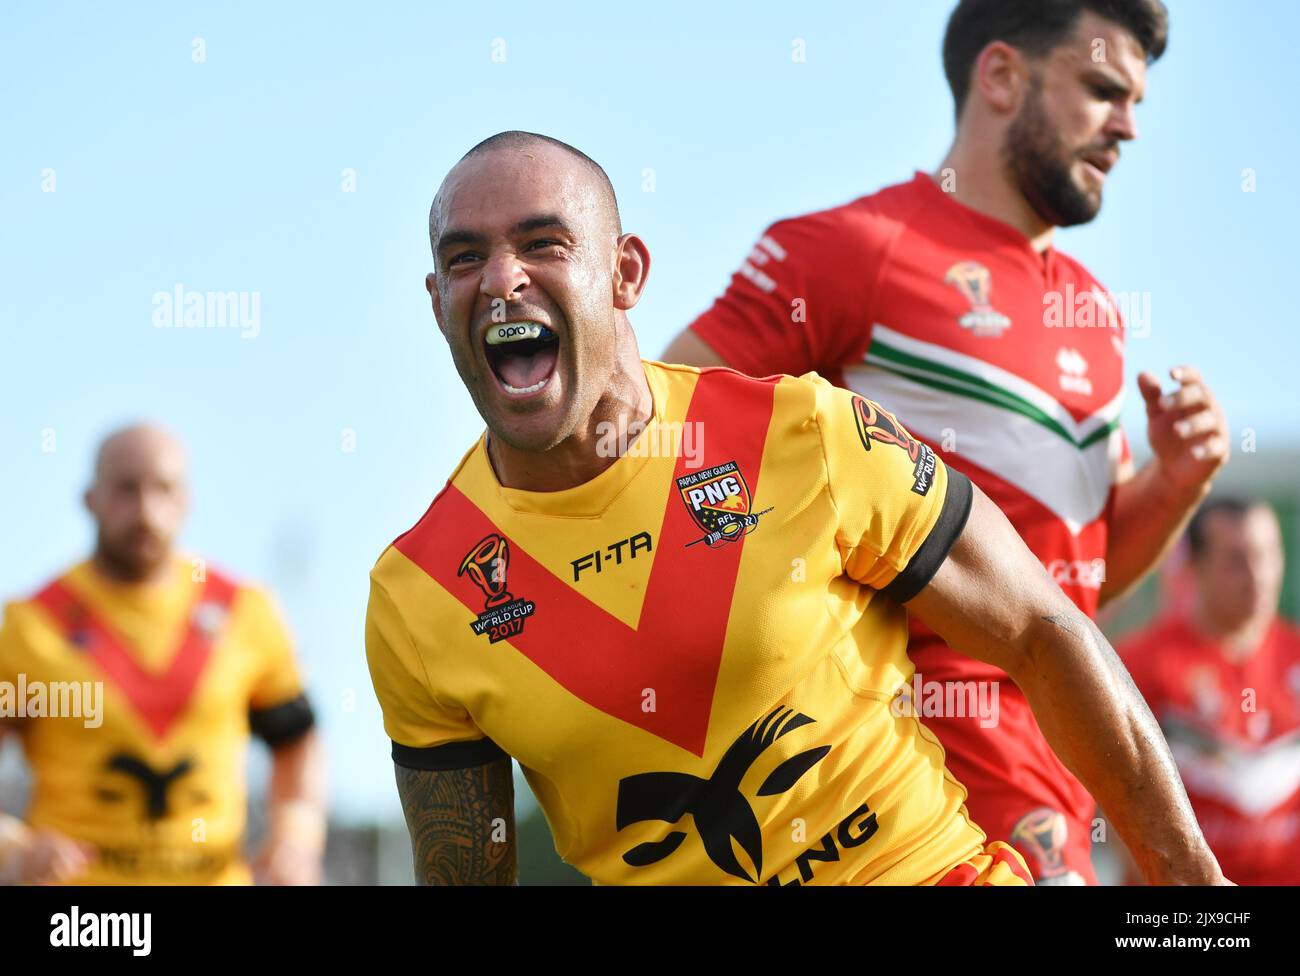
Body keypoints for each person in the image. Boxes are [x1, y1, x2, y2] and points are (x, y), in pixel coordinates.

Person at [363, 129, 1225, 886]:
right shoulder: (419, 597)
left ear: (625, 273)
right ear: (438, 301)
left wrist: (1189, 883)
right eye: (465, 258)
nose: (503, 279)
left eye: (543, 243)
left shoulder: (806, 430)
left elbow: (1044, 630)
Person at [661, 0, 1230, 884]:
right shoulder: (850, 250)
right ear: (1001, 75)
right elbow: (665, 445)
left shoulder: (1098, 313)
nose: (1128, 126)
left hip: (1067, 783)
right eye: (1101, 90)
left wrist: (1179, 481)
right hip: (910, 792)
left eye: (1137, 103)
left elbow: (1079, 586)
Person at [0, 424, 326, 885]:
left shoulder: (244, 612)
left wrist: (296, 835)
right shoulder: (32, 625)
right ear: (89, 498)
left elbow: (297, 739)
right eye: (126, 488)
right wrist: (12, 848)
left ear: (186, 500)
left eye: (163, 489)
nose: (146, 511)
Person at [1118, 498, 1300, 885]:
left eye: (1268, 555)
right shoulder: (1137, 664)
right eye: (1237, 560)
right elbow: (1113, 800)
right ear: (1195, 568)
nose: (1258, 575)